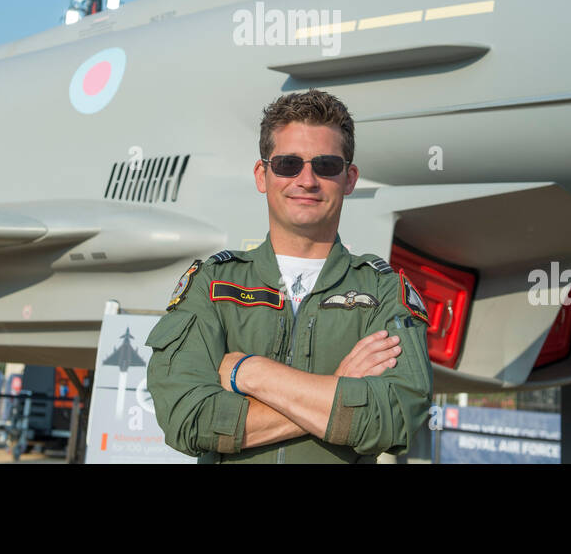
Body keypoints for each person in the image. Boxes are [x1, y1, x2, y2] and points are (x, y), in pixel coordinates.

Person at [145, 88, 434, 463]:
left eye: (327, 165)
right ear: (262, 174)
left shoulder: (383, 292)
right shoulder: (212, 285)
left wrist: (251, 373)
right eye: (287, 164)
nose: (307, 179)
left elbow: (394, 419)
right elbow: (187, 418)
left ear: (349, 178)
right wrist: (335, 391)